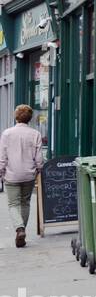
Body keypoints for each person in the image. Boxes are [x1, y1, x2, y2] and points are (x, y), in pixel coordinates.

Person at [0, 105, 45, 248]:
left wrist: (1, 171)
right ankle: (22, 231)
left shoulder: (7, 134)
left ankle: (19, 229)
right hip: (28, 174)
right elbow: (39, 158)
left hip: (11, 174)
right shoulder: (35, 134)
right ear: (30, 118)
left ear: (16, 117)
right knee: (25, 203)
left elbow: (3, 156)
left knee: (13, 204)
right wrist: (39, 169)